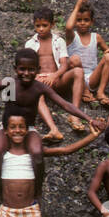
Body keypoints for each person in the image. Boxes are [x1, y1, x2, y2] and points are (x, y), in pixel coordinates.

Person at [0, 48, 104, 190]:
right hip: (7, 129)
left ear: (38, 70)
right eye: (22, 69)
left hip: (28, 129)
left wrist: (89, 119)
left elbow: (65, 104)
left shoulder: (39, 88)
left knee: (37, 154)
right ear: (15, 69)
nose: (26, 73)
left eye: (31, 69)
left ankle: (37, 190)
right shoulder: (10, 84)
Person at [26, 8, 77, 141]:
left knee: (78, 71)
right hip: (41, 81)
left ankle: (75, 115)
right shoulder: (30, 44)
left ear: (52, 25)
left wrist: (55, 75)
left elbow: (64, 64)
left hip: (57, 79)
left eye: (45, 25)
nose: (41, 29)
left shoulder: (58, 41)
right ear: (34, 25)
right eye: (38, 26)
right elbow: (28, 67)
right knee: (37, 96)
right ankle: (54, 130)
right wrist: (35, 77)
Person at [62, 0, 109, 106]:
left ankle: (100, 92)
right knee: (75, 59)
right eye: (79, 20)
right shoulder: (72, 36)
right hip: (76, 78)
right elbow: (68, 27)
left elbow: (108, 53)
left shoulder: (96, 37)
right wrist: (77, 5)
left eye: (86, 20)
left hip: (92, 78)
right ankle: (84, 91)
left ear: (92, 22)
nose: (82, 23)